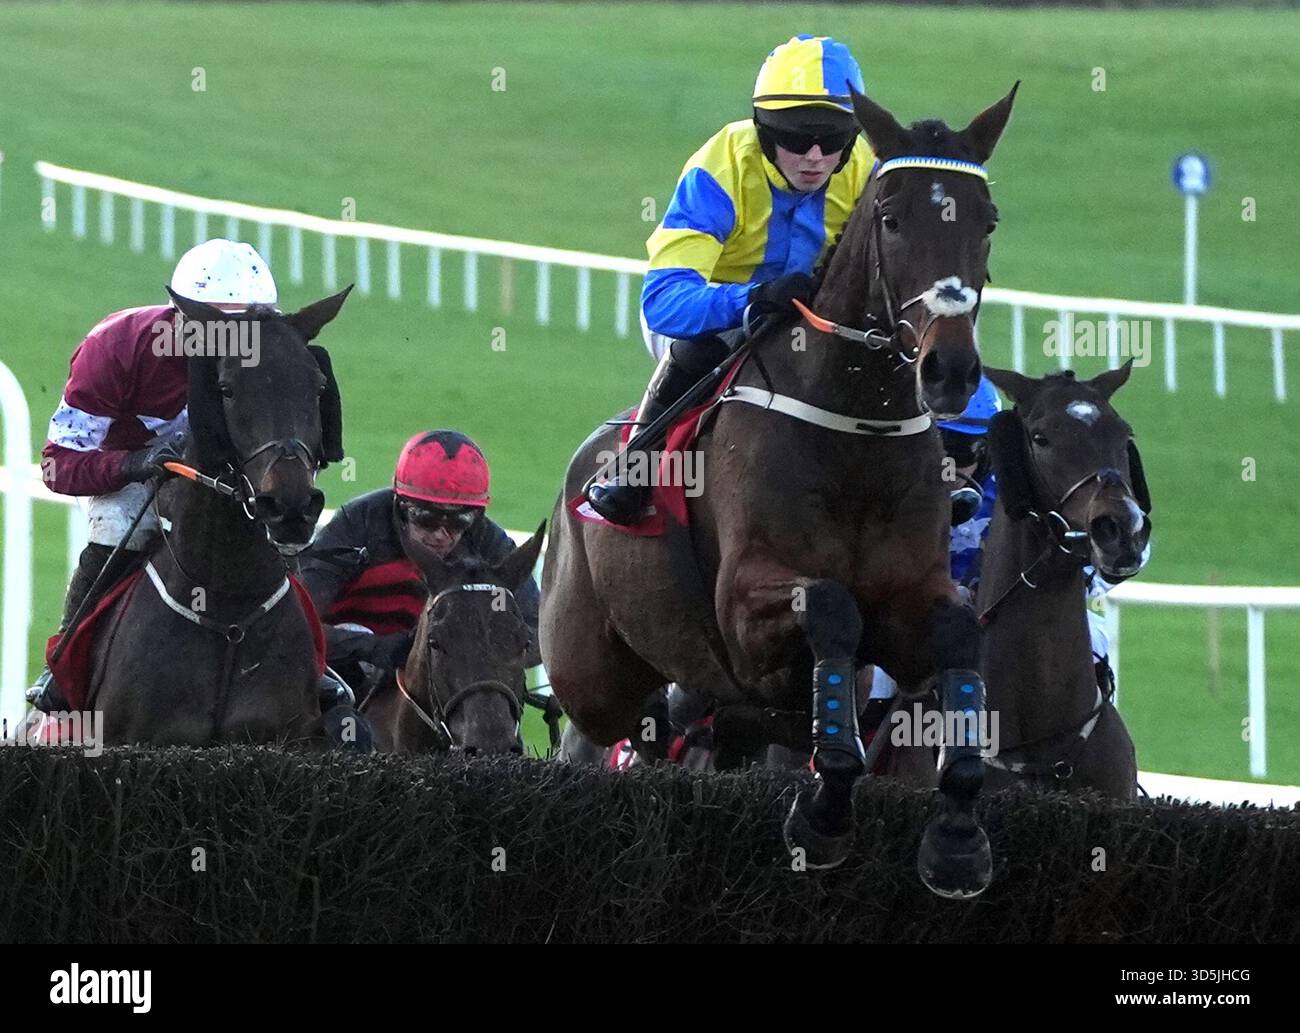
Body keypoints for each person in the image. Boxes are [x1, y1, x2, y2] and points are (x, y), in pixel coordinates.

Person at [586, 34, 875, 524]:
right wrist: (752, 298)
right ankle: (633, 468)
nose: (814, 157)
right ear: (763, 129)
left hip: (812, 316)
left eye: (832, 141)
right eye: (796, 137)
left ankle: (940, 474)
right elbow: (665, 303)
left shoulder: (864, 169)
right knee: (705, 345)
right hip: (711, 311)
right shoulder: (720, 167)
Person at [27, 239, 278, 713]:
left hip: (220, 470)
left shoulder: (264, 353)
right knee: (124, 525)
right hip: (128, 471)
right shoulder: (115, 347)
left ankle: (312, 663)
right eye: (218, 330)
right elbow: (57, 465)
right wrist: (132, 466)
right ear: (181, 316)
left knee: (280, 527)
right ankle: (66, 659)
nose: (235, 346)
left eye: (246, 329)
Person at [297, 431, 541, 698]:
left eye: (459, 521)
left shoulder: (488, 540)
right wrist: (375, 648)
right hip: (345, 672)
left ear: (477, 515)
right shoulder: (357, 524)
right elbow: (296, 622)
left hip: (432, 679)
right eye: (426, 517)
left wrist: (470, 653)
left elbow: (540, 635)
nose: (440, 534)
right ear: (400, 504)